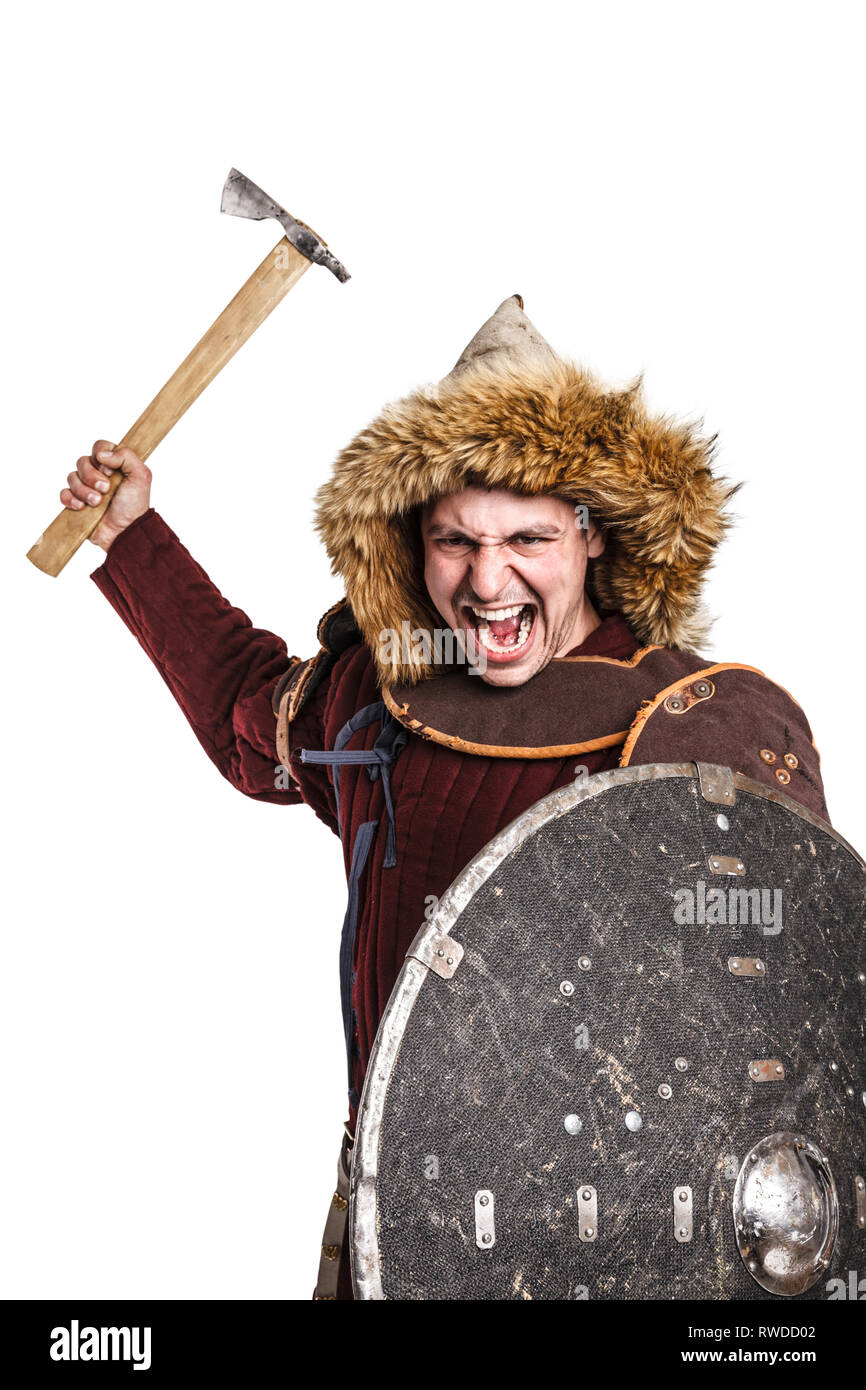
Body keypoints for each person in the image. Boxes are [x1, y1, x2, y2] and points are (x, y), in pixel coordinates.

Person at [60, 295, 828, 1299]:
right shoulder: (382, 702)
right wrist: (134, 534)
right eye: (455, 540)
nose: (487, 579)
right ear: (414, 543)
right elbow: (250, 710)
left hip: (600, 1257)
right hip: (381, 1212)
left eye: (526, 539)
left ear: (591, 537)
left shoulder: (681, 729)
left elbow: (782, 1046)